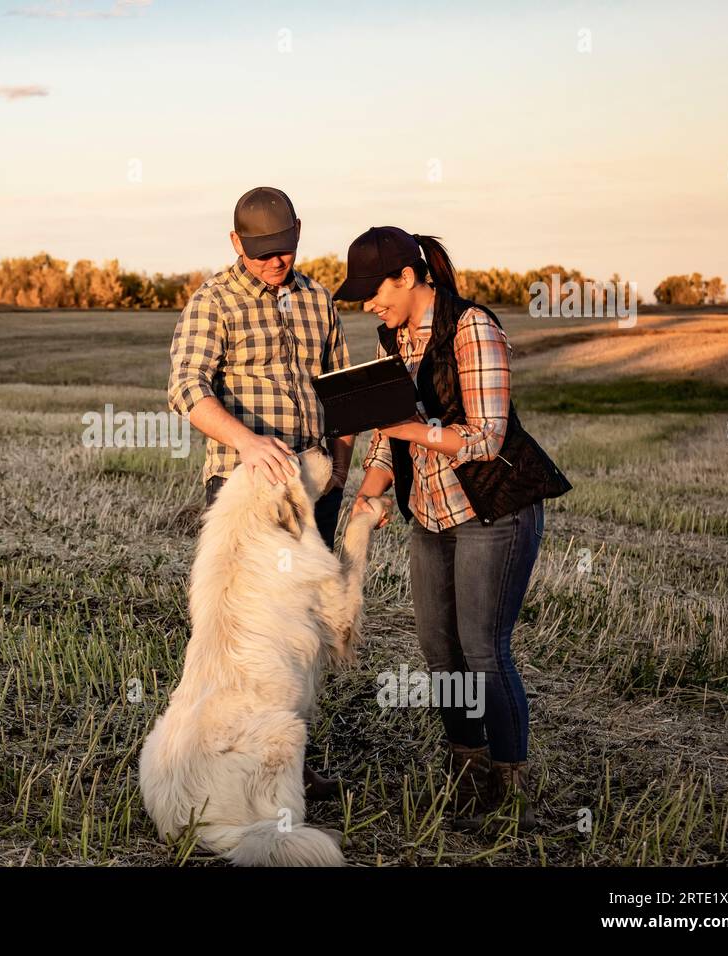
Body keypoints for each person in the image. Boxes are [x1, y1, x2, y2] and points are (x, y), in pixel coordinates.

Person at [336, 226, 571, 829]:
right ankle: (466, 772)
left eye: (374, 291)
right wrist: (371, 490)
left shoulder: (473, 327)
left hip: (493, 509)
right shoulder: (393, 333)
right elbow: (390, 436)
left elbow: (487, 437)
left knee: (483, 651)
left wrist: (403, 426)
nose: (369, 305)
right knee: (440, 653)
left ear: (408, 277)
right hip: (432, 513)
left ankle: (509, 783)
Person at [168, 186, 356, 800]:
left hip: (314, 484)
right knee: (249, 635)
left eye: (285, 250)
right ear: (235, 243)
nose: (277, 262)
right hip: (247, 490)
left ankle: (290, 762)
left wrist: (343, 461)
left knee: (301, 630)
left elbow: (338, 384)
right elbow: (187, 390)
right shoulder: (212, 302)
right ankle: (224, 761)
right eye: (263, 252)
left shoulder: (316, 297)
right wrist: (249, 442)